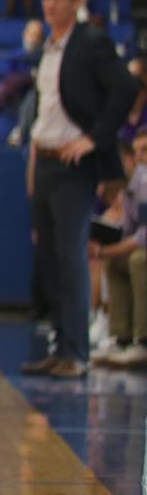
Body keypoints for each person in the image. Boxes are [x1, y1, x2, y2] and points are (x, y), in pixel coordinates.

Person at [22, 0, 140, 379]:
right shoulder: (48, 49)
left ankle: (77, 353)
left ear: (76, 2)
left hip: (74, 167)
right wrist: (34, 165)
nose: (50, 4)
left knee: (72, 257)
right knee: (49, 259)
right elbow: (46, 112)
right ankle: (60, 345)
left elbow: (126, 86)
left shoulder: (90, 42)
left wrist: (95, 138)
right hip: (47, 160)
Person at [92, 132, 147, 368]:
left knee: (137, 260)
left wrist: (105, 251)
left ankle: (142, 341)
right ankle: (121, 337)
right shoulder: (128, 190)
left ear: (128, 162)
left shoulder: (144, 184)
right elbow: (127, 231)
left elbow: (143, 238)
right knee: (117, 263)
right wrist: (101, 246)